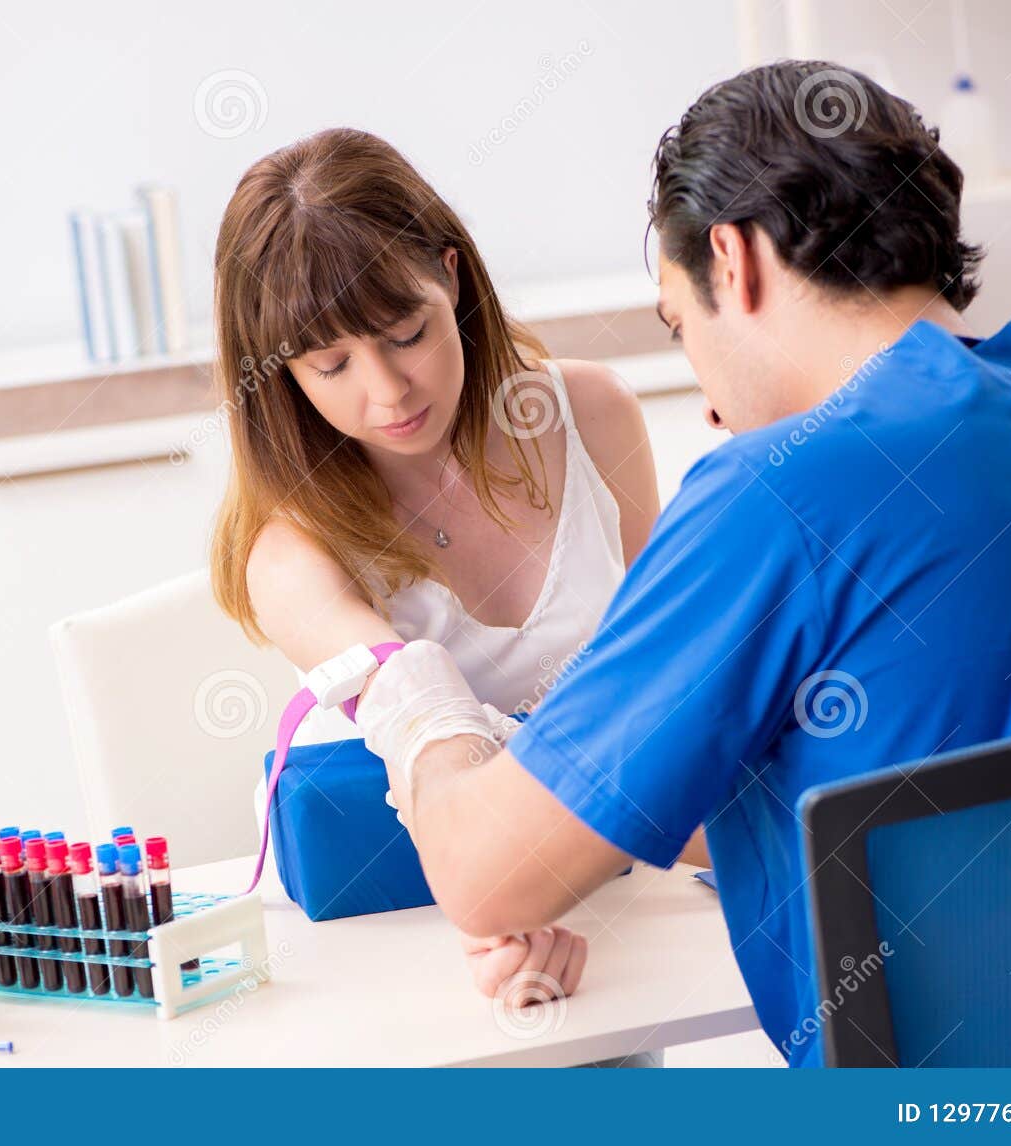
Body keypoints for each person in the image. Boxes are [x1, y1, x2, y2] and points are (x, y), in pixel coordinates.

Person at [354, 60, 1011, 1065]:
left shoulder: (780, 491)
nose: (704, 403)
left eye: (678, 323)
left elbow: (487, 877)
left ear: (732, 259)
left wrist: (425, 709)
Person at [208, 127, 670, 1004]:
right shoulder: (291, 552)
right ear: (279, 377)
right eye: (331, 363)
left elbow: (669, 675)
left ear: (452, 278)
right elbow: (426, 726)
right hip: (398, 942)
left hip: (617, 886)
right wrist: (506, 890)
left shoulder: (594, 416)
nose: (387, 392)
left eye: (405, 333)